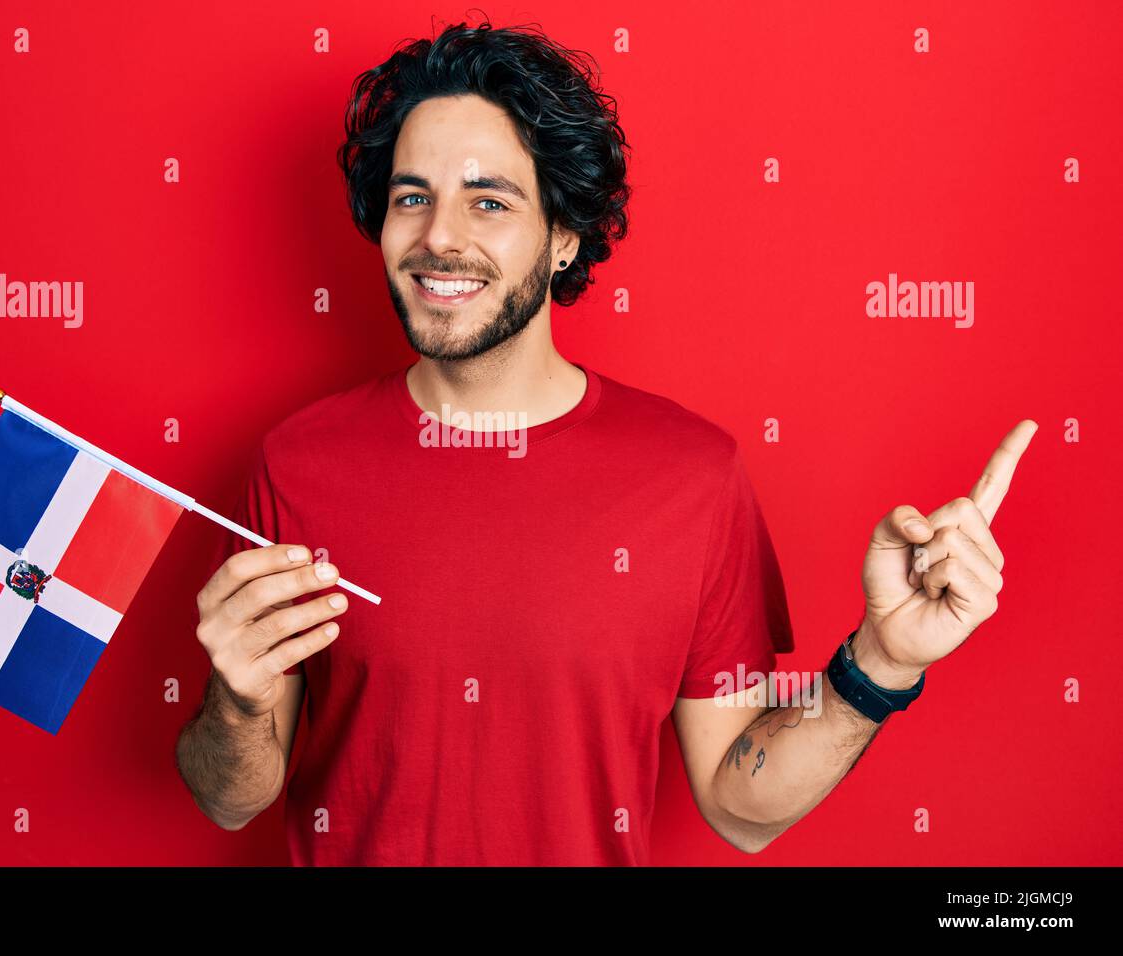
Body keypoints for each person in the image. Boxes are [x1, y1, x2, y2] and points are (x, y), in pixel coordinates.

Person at [175, 20, 1033, 866]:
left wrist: (881, 662)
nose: (439, 236)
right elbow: (229, 798)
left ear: (563, 238)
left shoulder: (694, 476)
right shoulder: (296, 462)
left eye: (489, 201)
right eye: (412, 197)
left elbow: (740, 806)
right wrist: (238, 708)